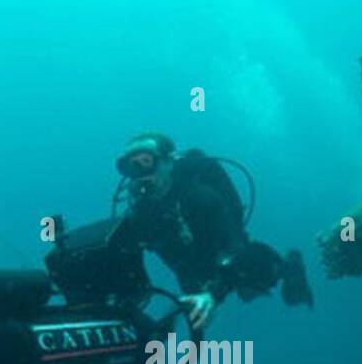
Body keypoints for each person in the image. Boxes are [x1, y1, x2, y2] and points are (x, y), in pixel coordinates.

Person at [114, 132, 313, 330]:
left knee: (254, 270)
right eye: (131, 165)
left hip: (231, 256)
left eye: (146, 161)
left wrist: (215, 293)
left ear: (169, 162)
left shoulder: (200, 197)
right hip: (192, 270)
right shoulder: (140, 213)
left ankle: (290, 266)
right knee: (190, 305)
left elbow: (234, 244)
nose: (139, 172)